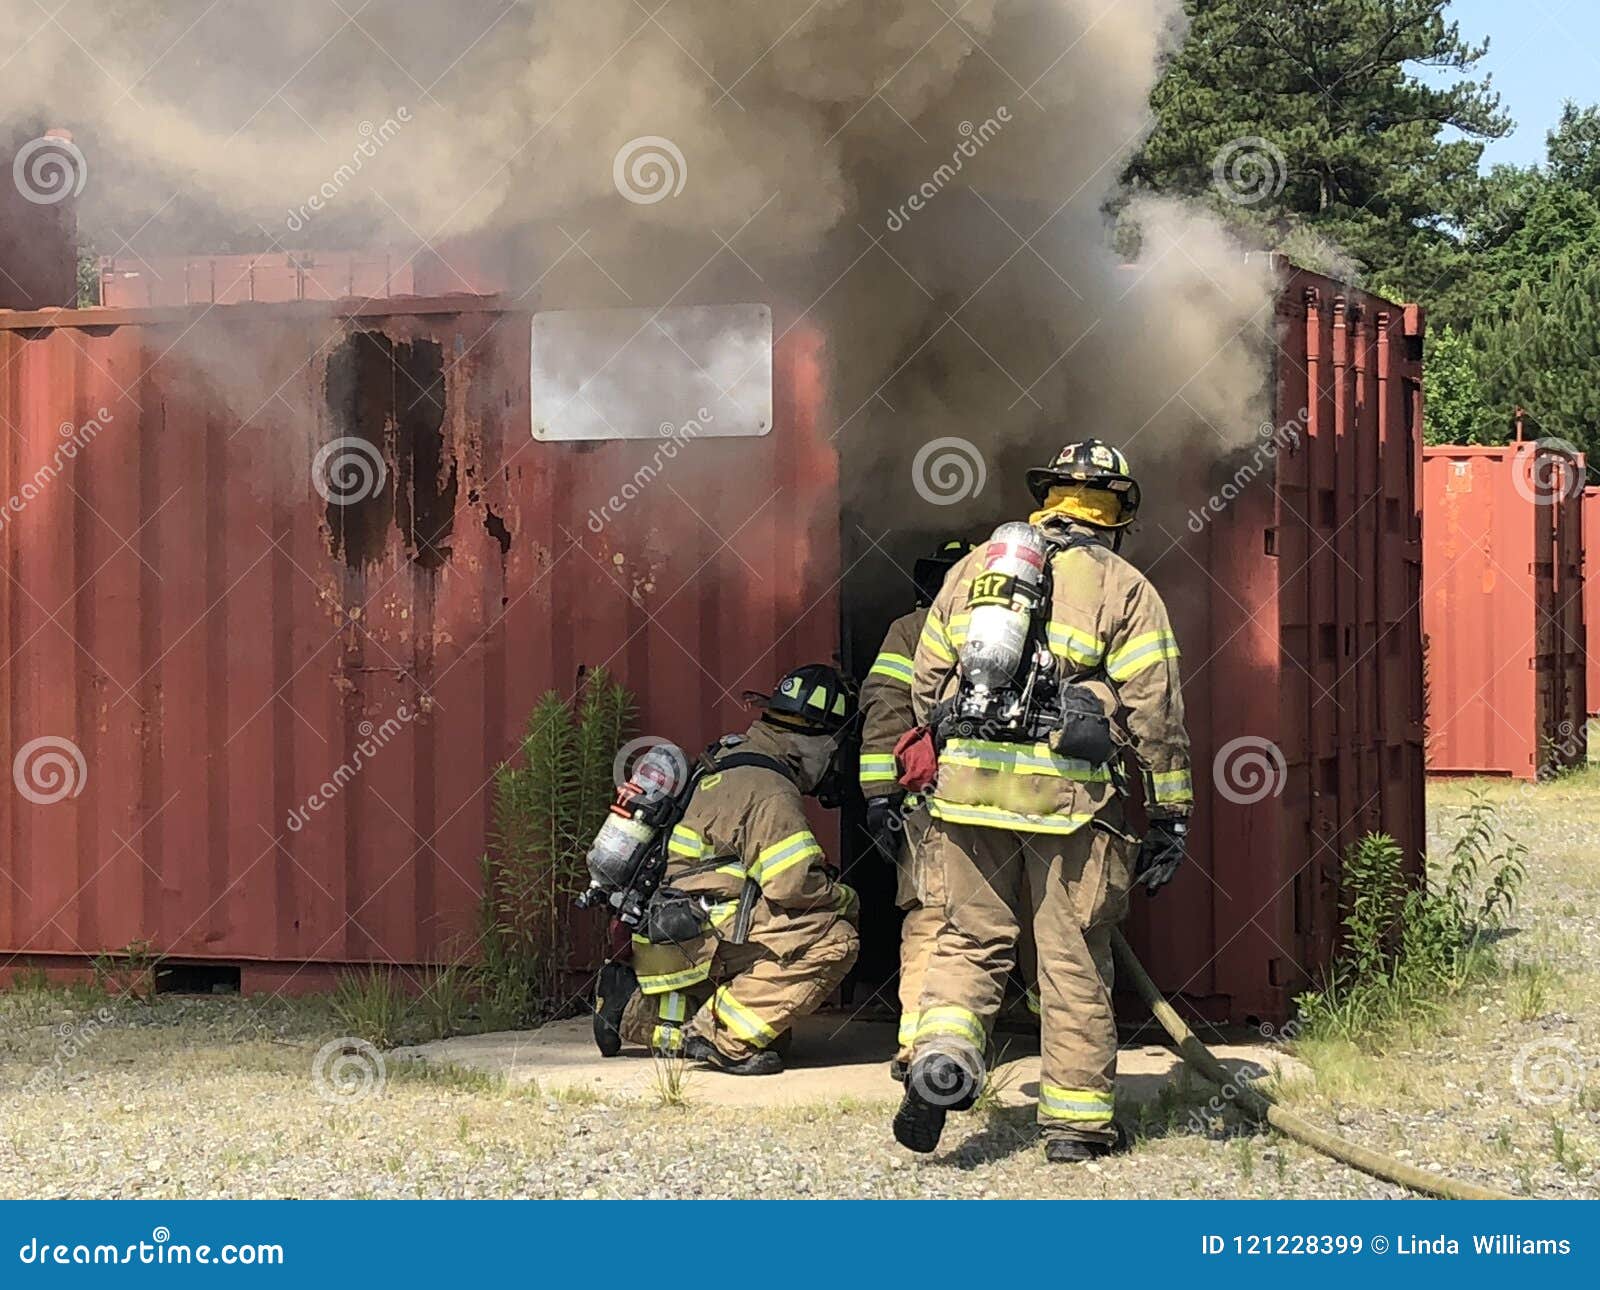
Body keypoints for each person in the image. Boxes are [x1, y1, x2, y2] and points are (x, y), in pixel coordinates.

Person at [892, 440, 1192, 1161]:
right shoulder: (1122, 586)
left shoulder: (974, 572)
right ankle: (1076, 1126)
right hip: (1069, 806)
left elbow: (927, 686)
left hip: (965, 797)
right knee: (1071, 957)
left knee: (969, 940)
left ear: (1050, 496)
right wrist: (1172, 814)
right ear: (1116, 511)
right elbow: (1157, 712)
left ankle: (943, 1057)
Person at [592, 665, 861, 1075]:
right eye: (836, 751)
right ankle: (718, 1040)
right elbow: (794, 886)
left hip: (673, 932)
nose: (834, 766)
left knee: (770, 1028)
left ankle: (628, 1007)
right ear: (816, 741)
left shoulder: (727, 757)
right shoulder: (770, 789)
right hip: (700, 934)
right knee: (835, 939)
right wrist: (845, 894)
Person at [859, 540, 967, 1078]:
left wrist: (881, 799)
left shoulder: (912, 628)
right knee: (1041, 918)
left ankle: (920, 1044)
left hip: (938, 800)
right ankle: (1052, 1038)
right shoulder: (1035, 621)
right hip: (1029, 804)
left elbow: (886, 711)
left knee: (931, 916)